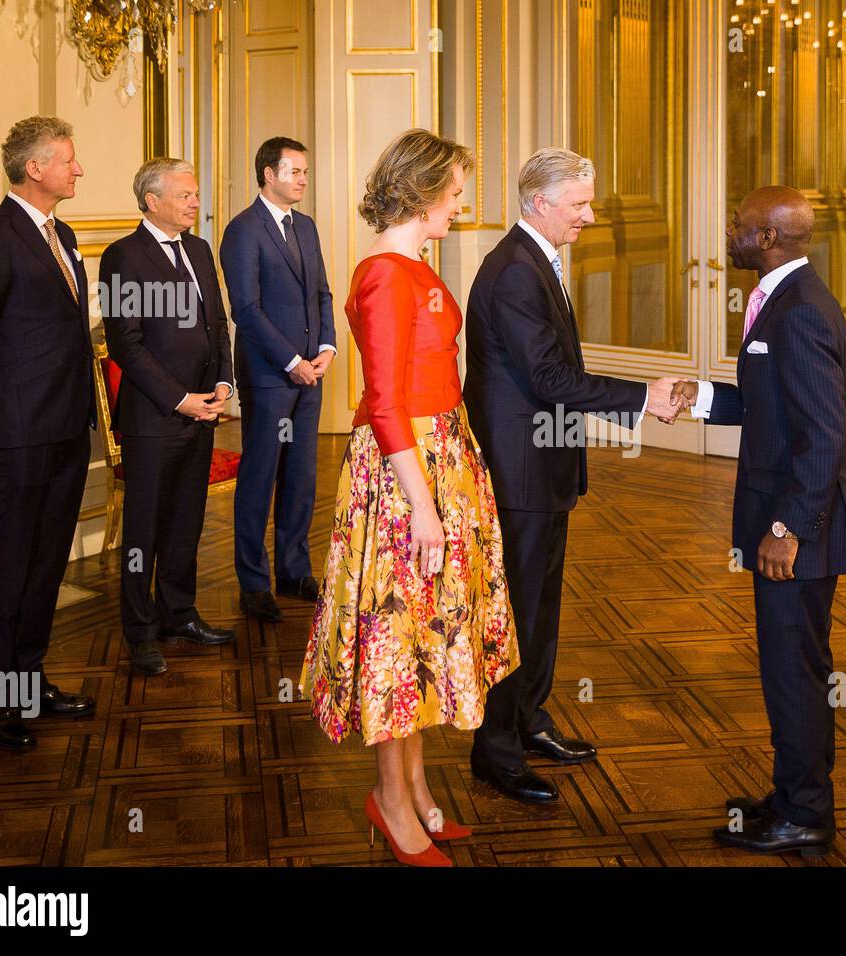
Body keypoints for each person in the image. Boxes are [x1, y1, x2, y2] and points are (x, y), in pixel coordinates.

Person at [298, 129, 517, 868]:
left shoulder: (409, 264)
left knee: (419, 632)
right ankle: (391, 801)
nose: (460, 203)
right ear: (422, 191)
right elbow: (385, 401)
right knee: (396, 642)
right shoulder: (387, 274)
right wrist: (423, 504)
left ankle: (416, 786)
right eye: (454, 191)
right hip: (406, 471)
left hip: (438, 455)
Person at [463, 148, 689, 804]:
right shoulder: (512, 272)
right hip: (521, 473)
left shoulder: (535, 260)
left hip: (543, 464)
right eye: (580, 204)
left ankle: (529, 721)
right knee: (516, 613)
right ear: (539, 204)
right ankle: (495, 751)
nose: (590, 216)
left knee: (542, 609)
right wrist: (644, 398)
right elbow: (548, 379)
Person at [672, 185, 846, 857]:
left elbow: (824, 433)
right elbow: (772, 405)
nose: (729, 233)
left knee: (794, 672)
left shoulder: (802, 312)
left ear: (766, 239)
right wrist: (702, 397)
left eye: (739, 225)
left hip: (801, 529)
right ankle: (793, 796)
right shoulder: (783, 300)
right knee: (793, 667)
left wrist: (787, 528)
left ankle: (807, 813)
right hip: (793, 518)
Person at [0, 116, 97, 752]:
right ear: (34, 168)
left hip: (67, 421)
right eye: (67, 159)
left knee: (46, 560)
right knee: (12, 562)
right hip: (19, 424)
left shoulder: (61, 233)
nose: (78, 169)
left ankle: (30, 683)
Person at [99, 158, 237, 677]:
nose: (196, 202)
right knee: (144, 530)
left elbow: (217, 326)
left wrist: (224, 383)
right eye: (185, 195)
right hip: (154, 417)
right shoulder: (121, 257)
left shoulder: (200, 250)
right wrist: (180, 398)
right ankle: (140, 630)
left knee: (185, 521)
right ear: (152, 200)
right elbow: (125, 346)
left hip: (204, 409)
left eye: (196, 193)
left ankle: (178, 613)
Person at [220, 136, 336, 622]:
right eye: (294, 171)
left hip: (312, 373)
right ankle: (253, 582)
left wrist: (326, 347)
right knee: (260, 477)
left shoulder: (306, 227)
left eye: (305, 172)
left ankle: (293, 569)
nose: (303, 179)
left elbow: (323, 293)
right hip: (271, 375)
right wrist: (292, 361)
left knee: (302, 477)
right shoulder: (243, 230)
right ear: (268, 174)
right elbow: (245, 310)